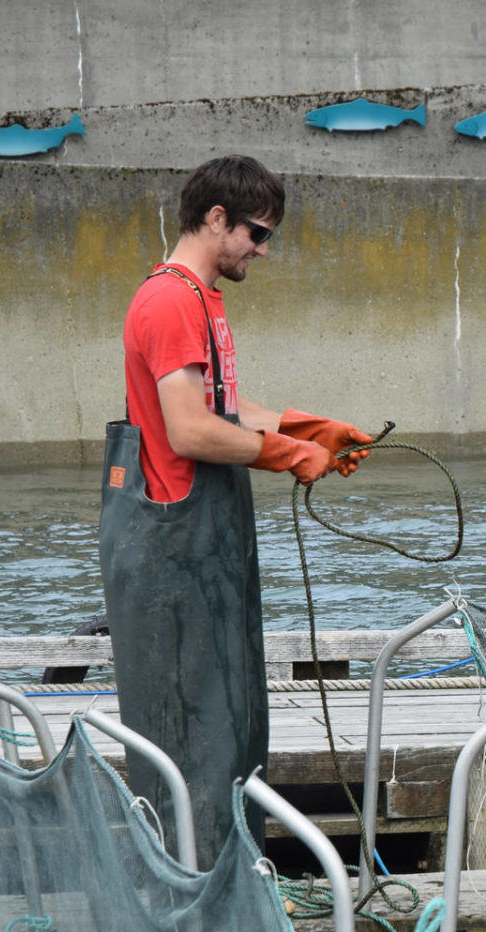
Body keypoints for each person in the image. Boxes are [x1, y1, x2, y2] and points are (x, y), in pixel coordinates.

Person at [99, 155, 372, 862]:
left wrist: (309, 429)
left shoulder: (203, 298)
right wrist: (288, 456)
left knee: (232, 724)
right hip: (172, 554)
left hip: (206, 552)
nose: (263, 249)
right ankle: (196, 885)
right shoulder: (168, 301)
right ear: (216, 218)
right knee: (191, 734)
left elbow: (224, 407)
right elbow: (190, 430)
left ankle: (233, 875)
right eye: (257, 232)